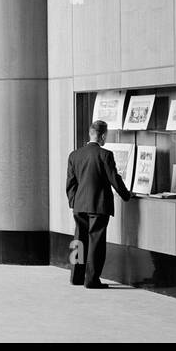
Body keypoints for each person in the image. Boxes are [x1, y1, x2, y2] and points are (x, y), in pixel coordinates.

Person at [65, 120, 132, 288]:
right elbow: (114, 179)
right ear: (102, 136)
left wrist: (74, 202)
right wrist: (126, 195)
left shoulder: (74, 155)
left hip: (79, 206)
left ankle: (76, 277)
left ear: (90, 134)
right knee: (96, 242)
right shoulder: (105, 155)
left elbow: (70, 184)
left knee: (79, 241)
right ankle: (92, 279)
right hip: (98, 205)